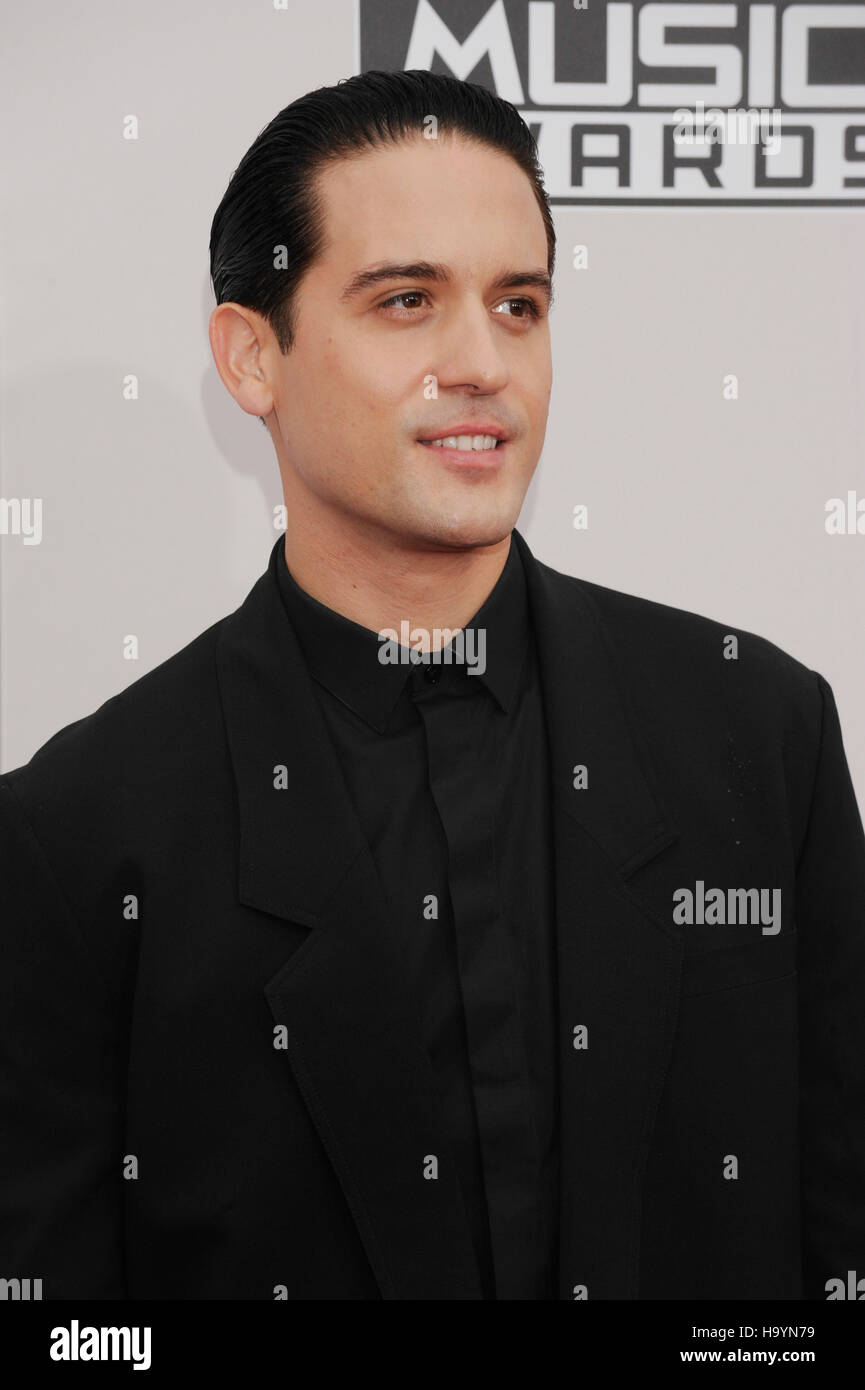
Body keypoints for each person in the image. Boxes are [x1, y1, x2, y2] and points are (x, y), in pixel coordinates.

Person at [1, 69, 863, 1302]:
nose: (480, 363)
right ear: (252, 358)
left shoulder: (756, 736)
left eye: (519, 306)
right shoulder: (81, 834)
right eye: (406, 301)